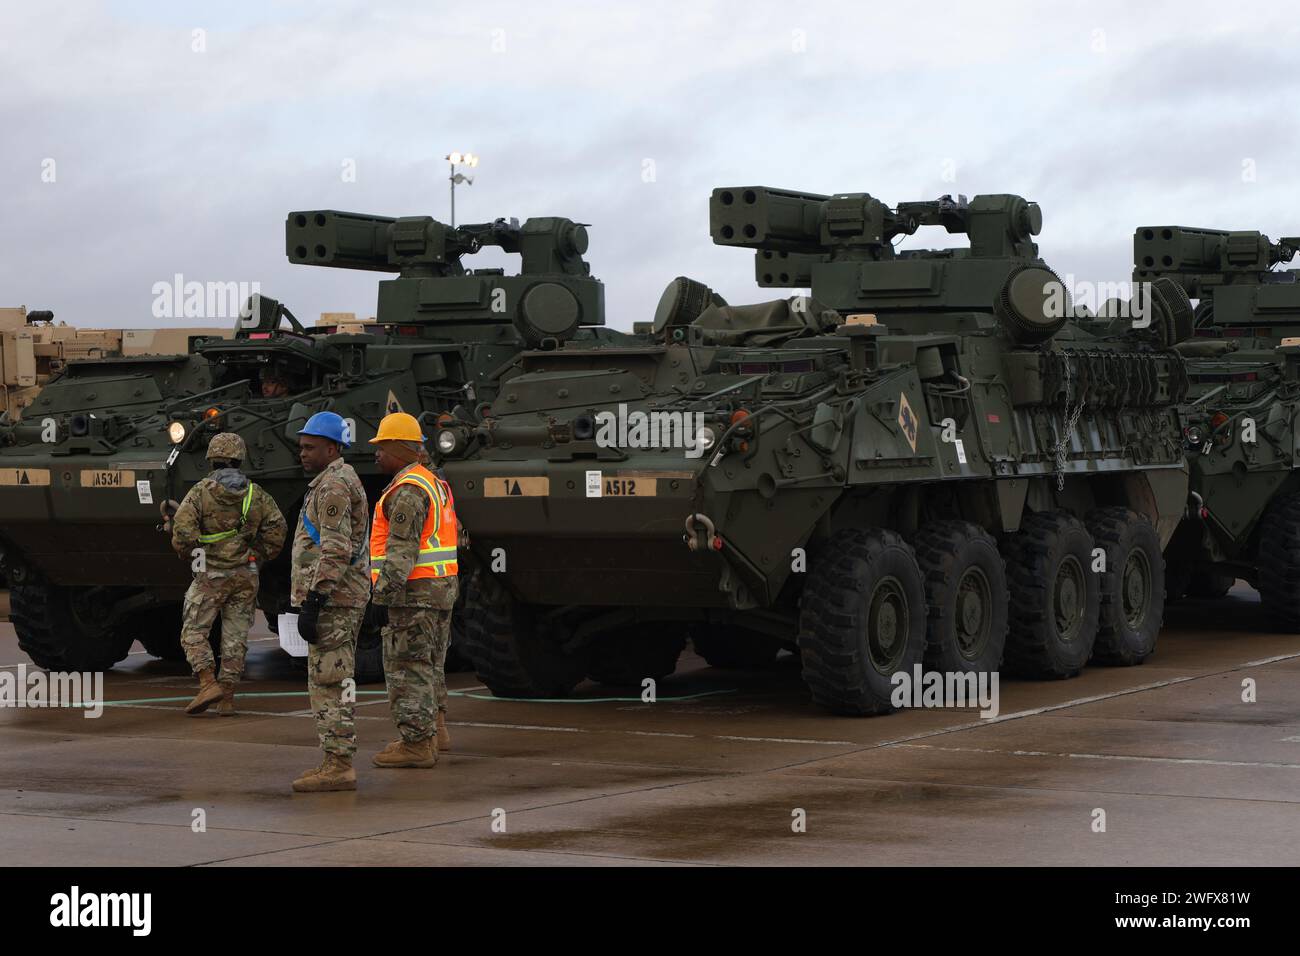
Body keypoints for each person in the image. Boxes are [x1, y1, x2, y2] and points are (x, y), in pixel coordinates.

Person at [170, 432, 287, 716]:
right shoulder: (255, 494)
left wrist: (190, 551)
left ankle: (208, 682)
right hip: (246, 574)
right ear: (239, 459)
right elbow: (277, 530)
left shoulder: (200, 492)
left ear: (212, 459)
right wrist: (257, 555)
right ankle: (228, 698)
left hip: (211, 574)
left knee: (194, 631)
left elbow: (182, 533)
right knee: (235, 636)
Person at [368, 412, 459, 767]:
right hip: (439, 590)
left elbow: (400, 553)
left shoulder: (407, 492)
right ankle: (436, 729)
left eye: (382, 447)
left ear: (401, 449)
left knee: (408, 666)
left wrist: (382, 596)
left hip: (413, 594)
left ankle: (417, 744)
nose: (376, 453)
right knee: (431, 662)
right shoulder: (433, 482)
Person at [290, 411, 371, 793]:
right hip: (337, 599)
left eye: (310, 447)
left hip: (334, 601)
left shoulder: (333, 486)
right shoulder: (332, 481)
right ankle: (334, 758)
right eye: (301, 447)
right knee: (328, 679)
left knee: (330, 681)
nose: (302, 453)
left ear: (332, 448)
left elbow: (336, 550)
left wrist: (315, 599)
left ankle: (339, 764)